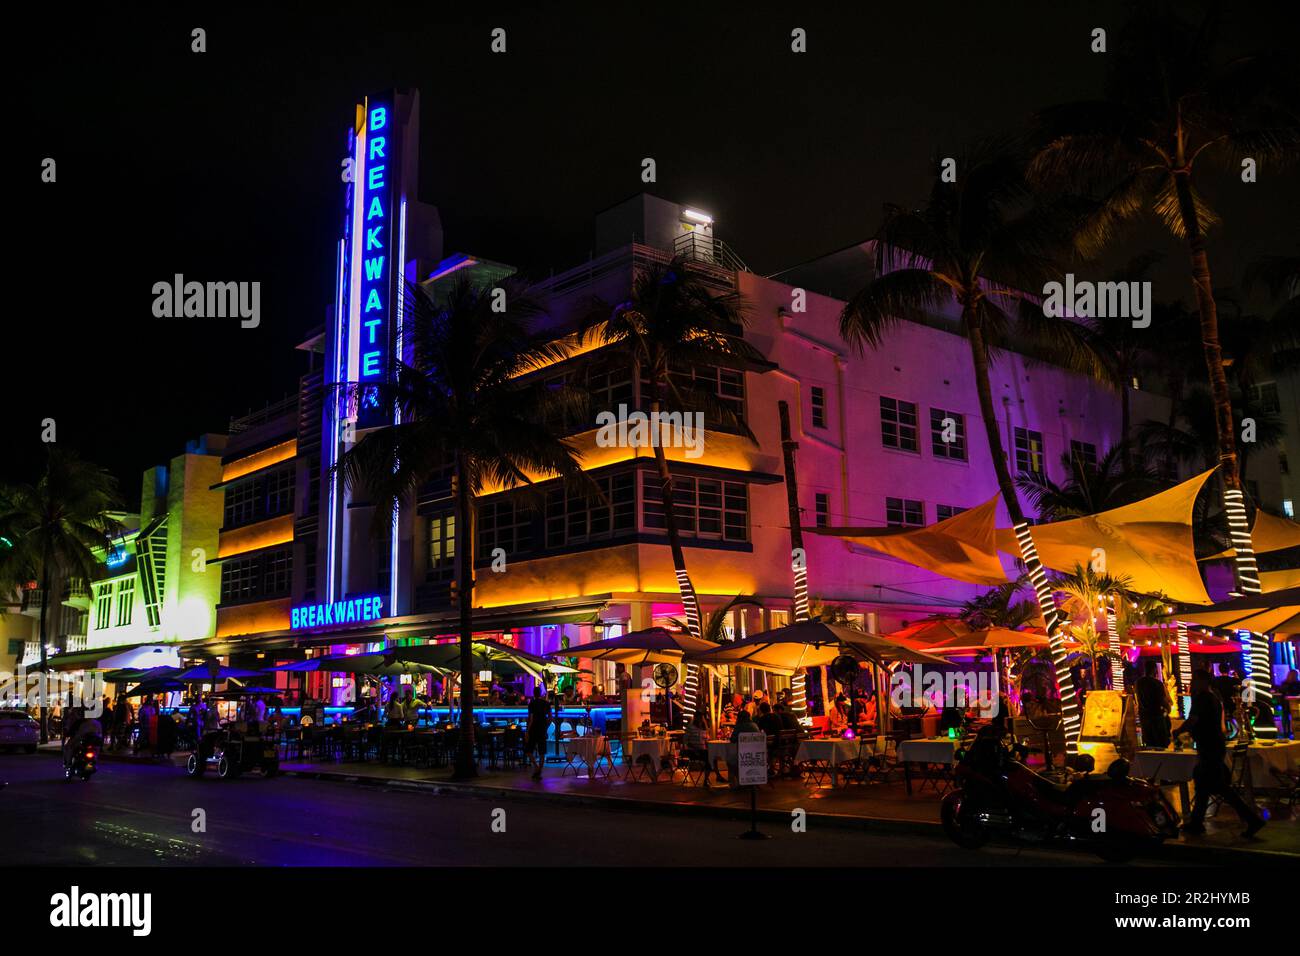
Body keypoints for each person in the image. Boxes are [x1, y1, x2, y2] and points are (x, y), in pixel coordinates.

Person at [1173, 670, 1265, 838]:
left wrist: (1178, 730)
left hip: (1208, 746)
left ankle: (1252, 820)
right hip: (1214, 745)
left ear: (1202, 682)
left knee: (1217, 786)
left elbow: (1193, 719)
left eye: (1195, 679)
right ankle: (1196, 822)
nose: (1192, 683)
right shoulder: (1215, 698)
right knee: (1204, 785)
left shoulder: (1202, 698)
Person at [1135, 660, 1172, 749]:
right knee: (1161, 744)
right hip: (1156, 717)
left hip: (1144, 717)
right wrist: (1168, 709)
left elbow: (1138, 699)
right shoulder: (1157, 683)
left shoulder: (1138, 683)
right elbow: (1163, 701)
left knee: (1149, 744)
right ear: (1154, 669)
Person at [61, 705, 103, 770]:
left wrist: (69, 734)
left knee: (69, 747)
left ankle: (68, 763)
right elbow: (100, 733)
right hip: (93, 743)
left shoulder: (81, 722)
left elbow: (74, 731)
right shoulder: (97, 723)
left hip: (82, 741)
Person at [526, 686, 550, 780]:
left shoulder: (531, 704)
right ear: (540, 693)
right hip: (542, 729)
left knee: (528, 750)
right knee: (542, 752)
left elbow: (531, 719)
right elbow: (550, 718)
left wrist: (527, 731)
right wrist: (546, 727)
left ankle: (536, 768)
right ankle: (539, 770)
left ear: (533, 693)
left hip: (533, 729)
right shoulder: (546, 703)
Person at [1278, 668, 1300, 739]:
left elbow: (1281, 693)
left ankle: (1286, 733)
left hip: (1285, 703)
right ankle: (1295, 732)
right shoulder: (1297, 684)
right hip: (1293, 703)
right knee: (1295, 718)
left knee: (1286, 718)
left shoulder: (1284, 683)